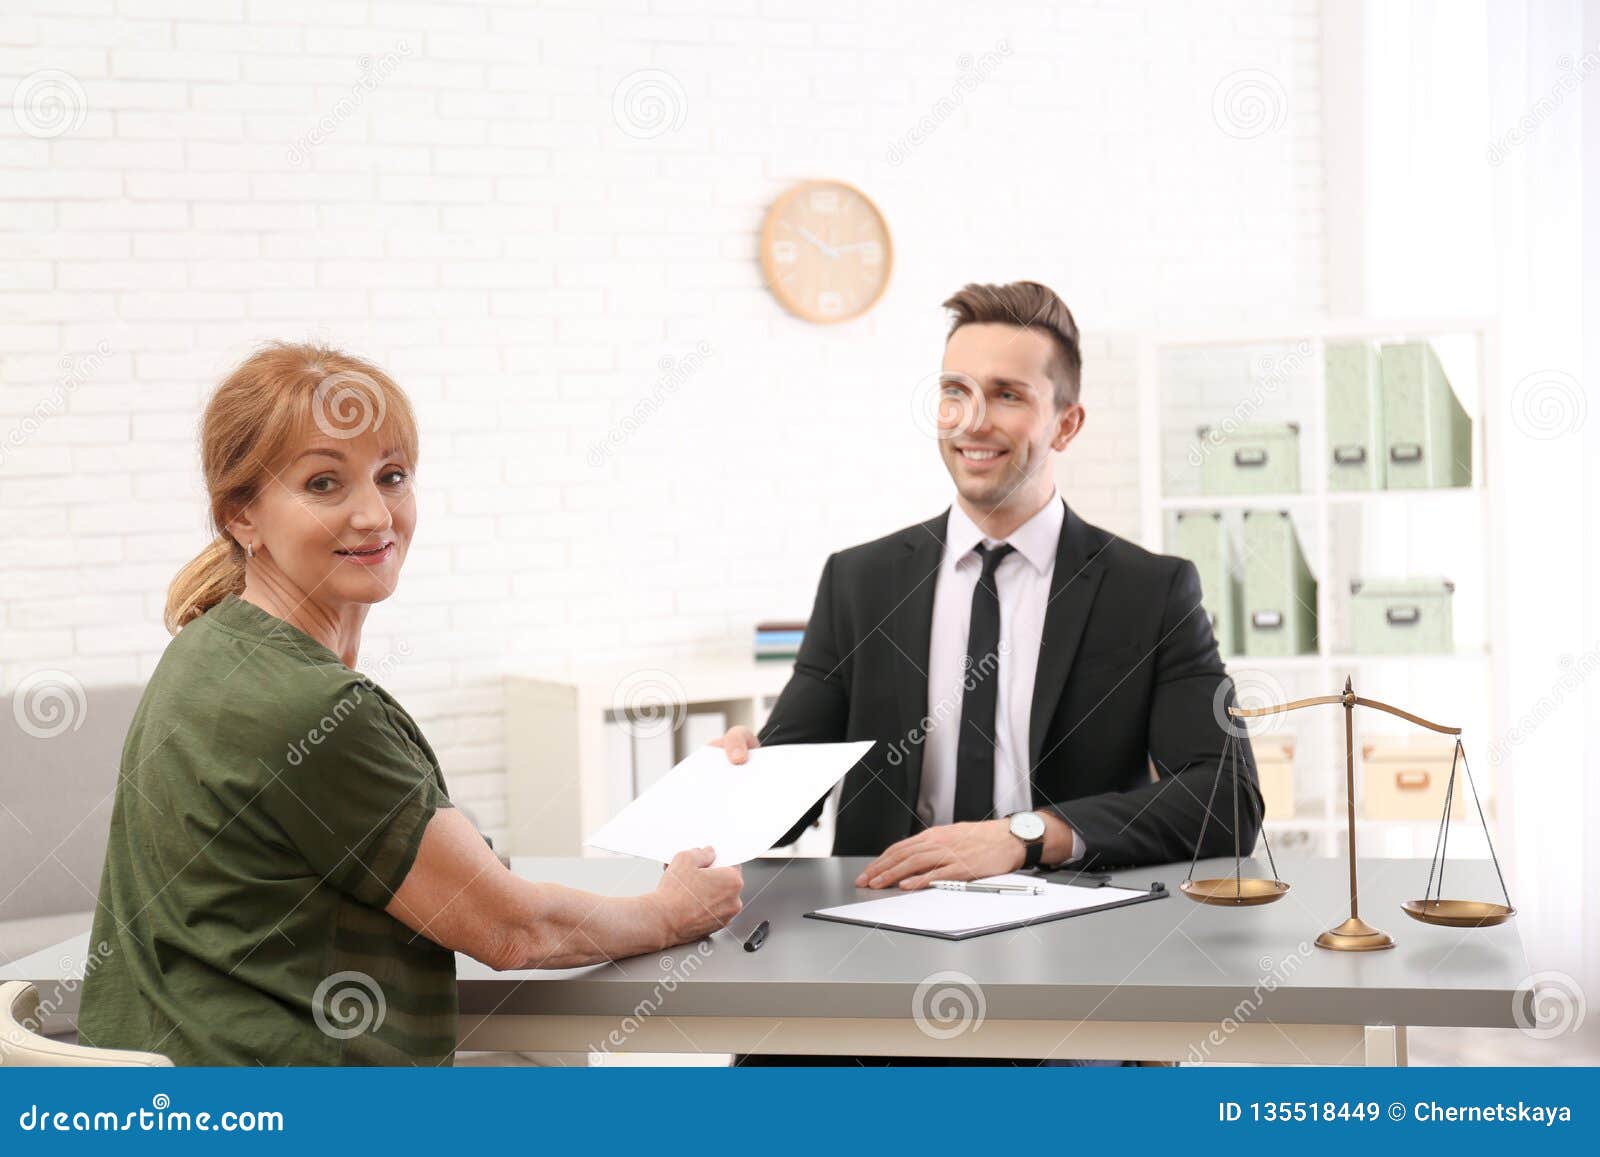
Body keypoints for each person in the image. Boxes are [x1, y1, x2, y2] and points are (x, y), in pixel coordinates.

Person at [79, 343, 742, 1066]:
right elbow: (512, 930)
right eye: (324, 483)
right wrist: (669, 912)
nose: (374, 514)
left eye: (391, 476)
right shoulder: (309, 707)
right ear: (242, 516)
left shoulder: (206, 648)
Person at [716, 280, 1260, 888]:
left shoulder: (1151, 592)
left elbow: (1228, 800)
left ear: (1067, 425)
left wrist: (1026, 836)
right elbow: (781, 810)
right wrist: (733, 782)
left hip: (1071, 920)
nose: (972, 421)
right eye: (955, 392)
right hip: (884, 917)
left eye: (1006, 395)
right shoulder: (859, 582)